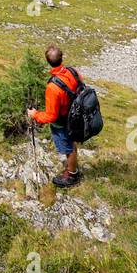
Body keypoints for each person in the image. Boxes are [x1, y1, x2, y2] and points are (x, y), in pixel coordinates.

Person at [27, 44, 83, 188]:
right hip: (75, 115)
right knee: (72, 143)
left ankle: (71, 175)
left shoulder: (53, 87)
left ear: (48, 61)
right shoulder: (73, 71)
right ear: (61, 57)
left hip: (63, 121)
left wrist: (35, 115)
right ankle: (73, 169)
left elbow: (51, 116)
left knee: (67, 147)